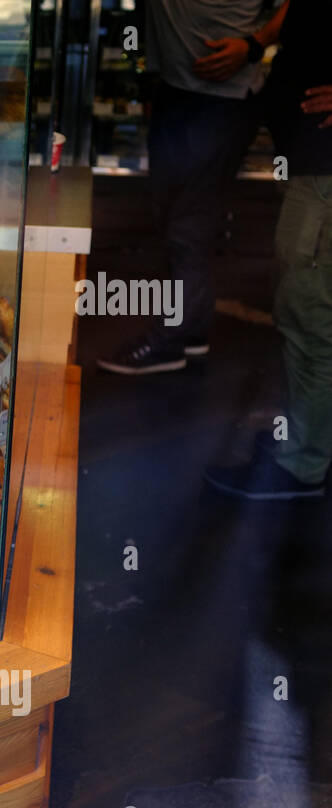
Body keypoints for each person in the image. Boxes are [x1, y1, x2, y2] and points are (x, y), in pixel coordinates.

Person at [98, 0, 287, 375]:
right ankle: (192, 327)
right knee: (169, 212)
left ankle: (171, 338)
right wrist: (143, 73)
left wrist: (253, 44)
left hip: (224, 99)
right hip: (173, 91)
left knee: (188, 222)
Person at [205, 0, 332, 499]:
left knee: (310, 314)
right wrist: (258, 43)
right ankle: (311, 440)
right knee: (308, 310)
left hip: (324, 174)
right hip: (310, 163)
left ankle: (302, 464)